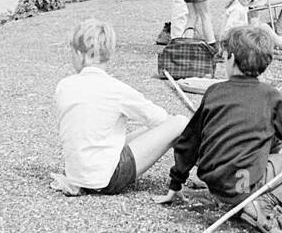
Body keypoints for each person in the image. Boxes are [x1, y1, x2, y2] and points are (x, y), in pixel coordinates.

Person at [154, 27, 282, 233]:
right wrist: (274, 164)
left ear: (230, 58)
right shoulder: (271, 96)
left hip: (216, 183)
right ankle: (264, 202)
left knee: (263, 135)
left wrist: (175, 185)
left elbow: (189, 142)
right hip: (244, 183)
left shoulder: (214, 92)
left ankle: (245, 195)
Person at [52, 19, 188, 195]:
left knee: (140, 130)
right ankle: (200, 170)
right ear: (109, 53)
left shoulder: (64, 86)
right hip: (108, 178)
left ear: (79, 55)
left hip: (77, 174)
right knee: (179, 123)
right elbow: (159, 119)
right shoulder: (116, 89)